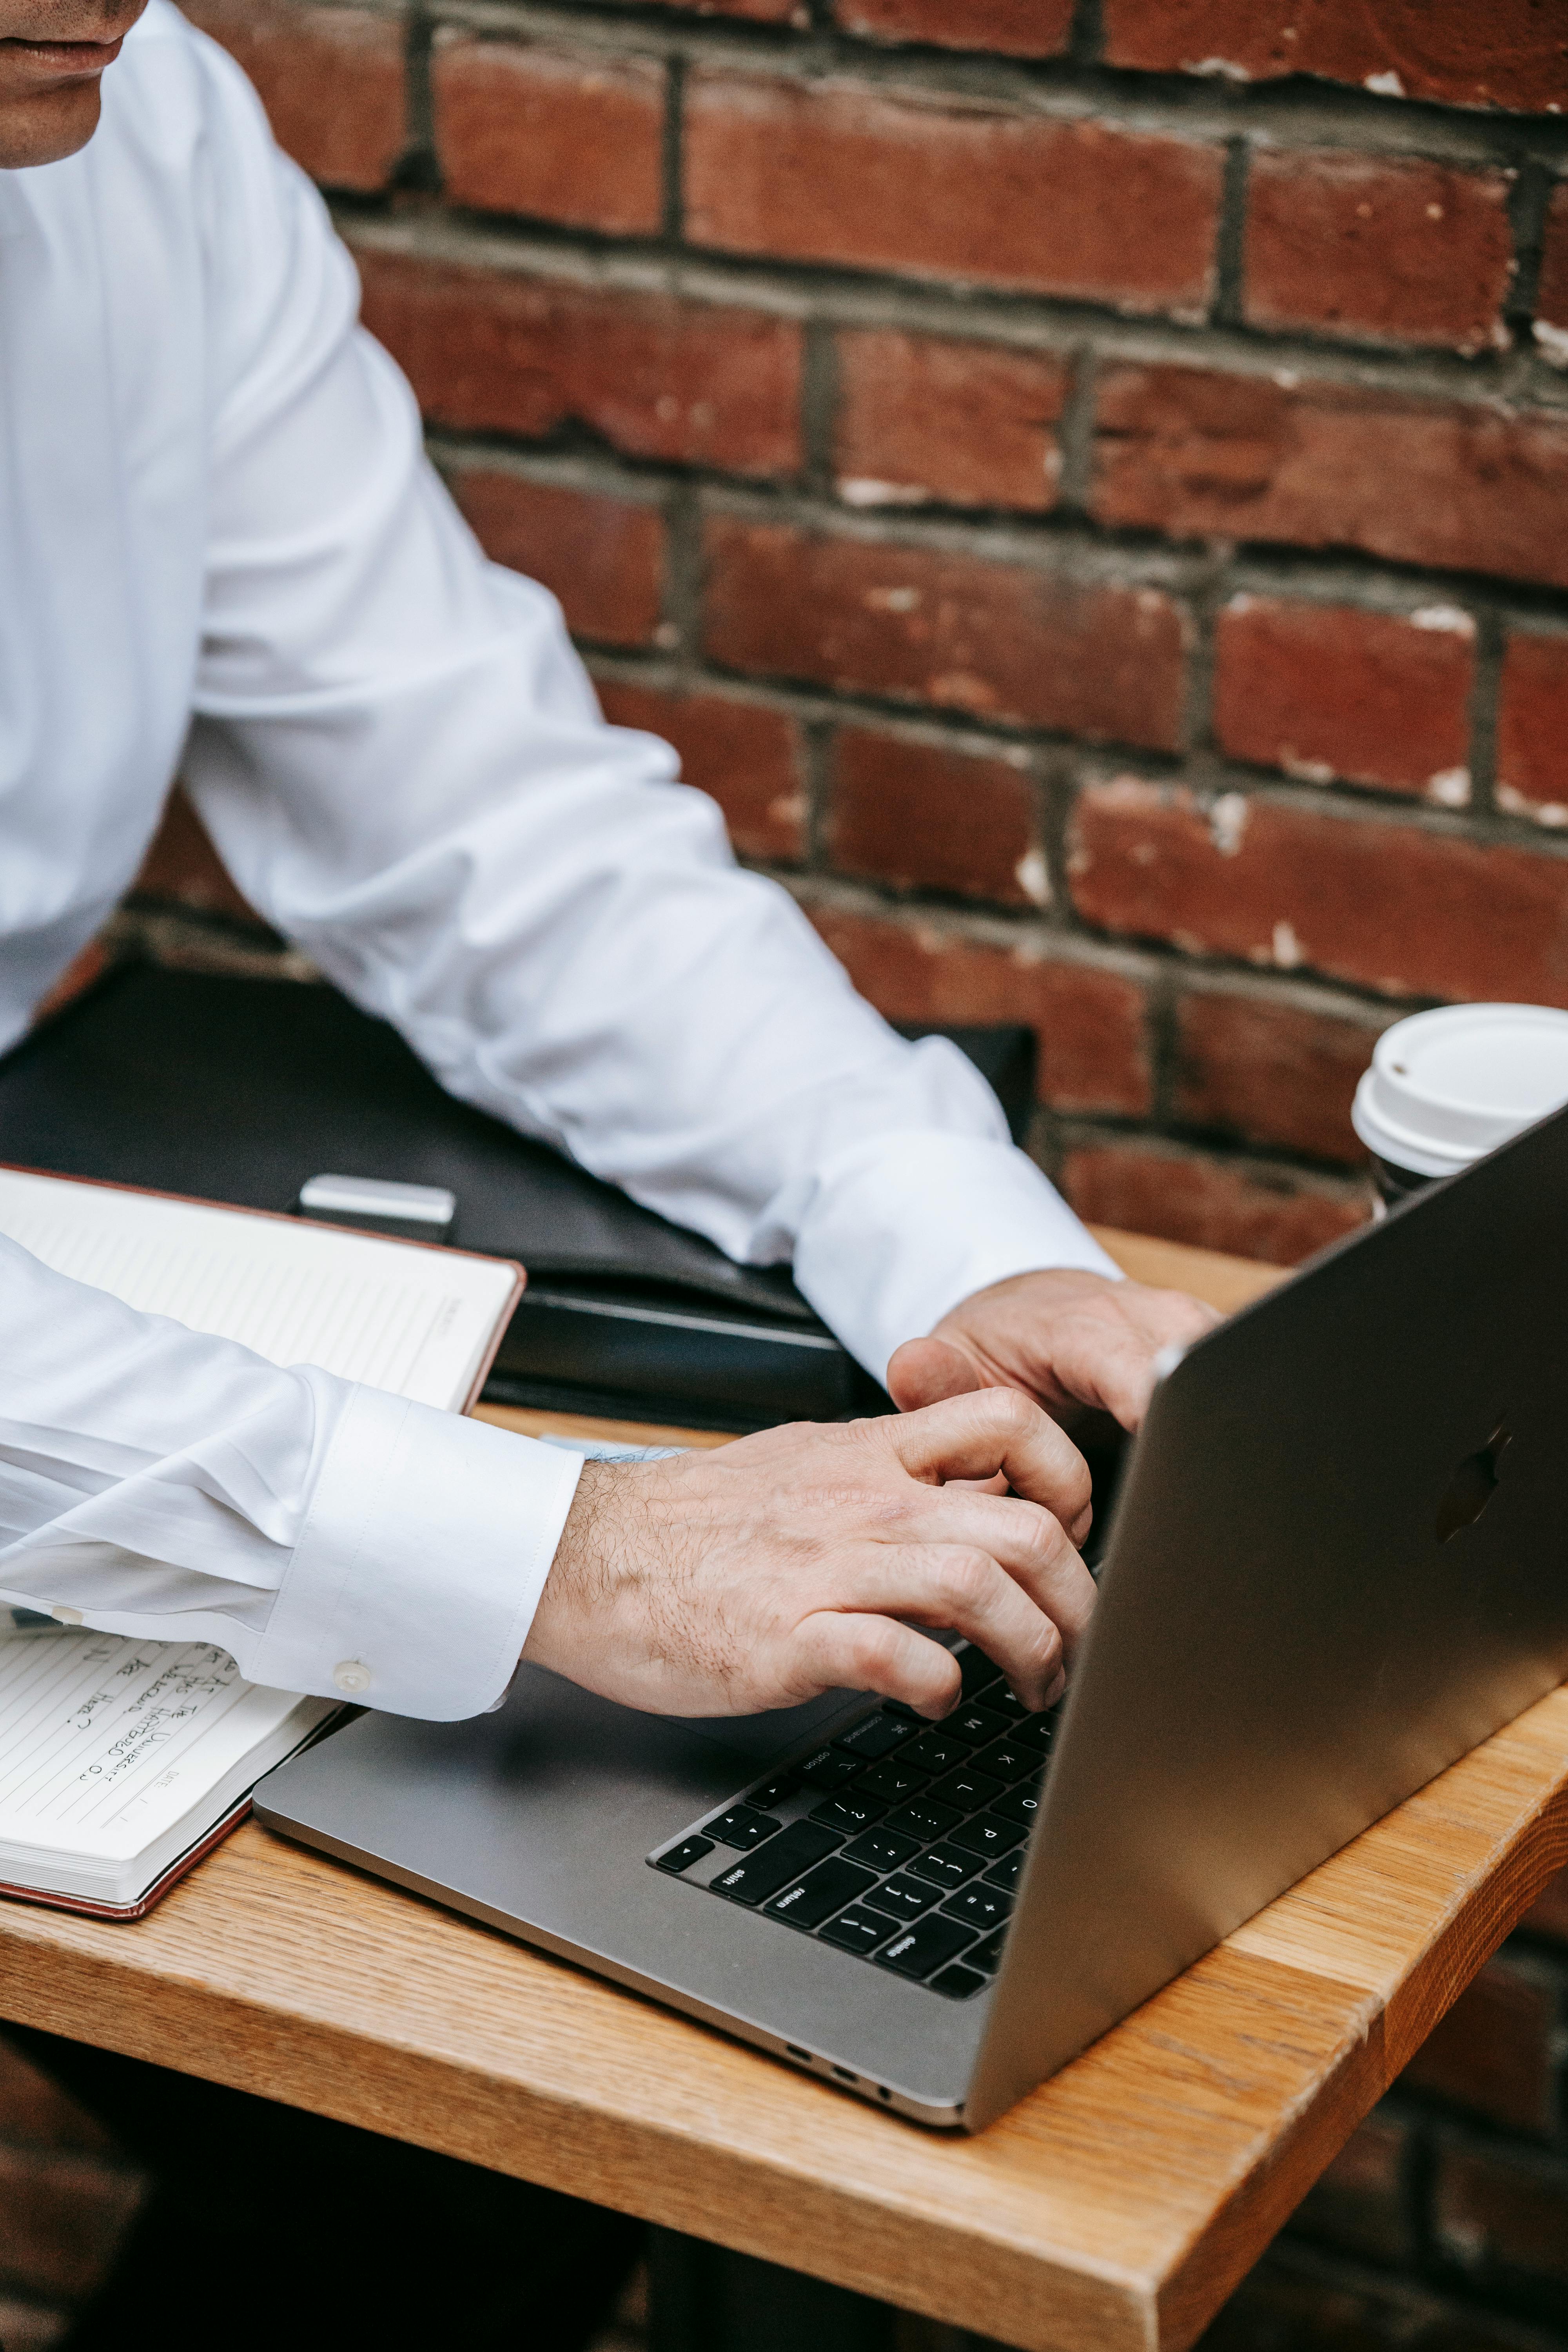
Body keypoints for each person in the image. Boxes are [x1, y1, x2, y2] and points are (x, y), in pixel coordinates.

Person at [0, 3, 1218, 2342]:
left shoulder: (148, 137)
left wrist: (936, 1226)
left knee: (480, 2137)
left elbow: (475, 814)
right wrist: (555, 1541)